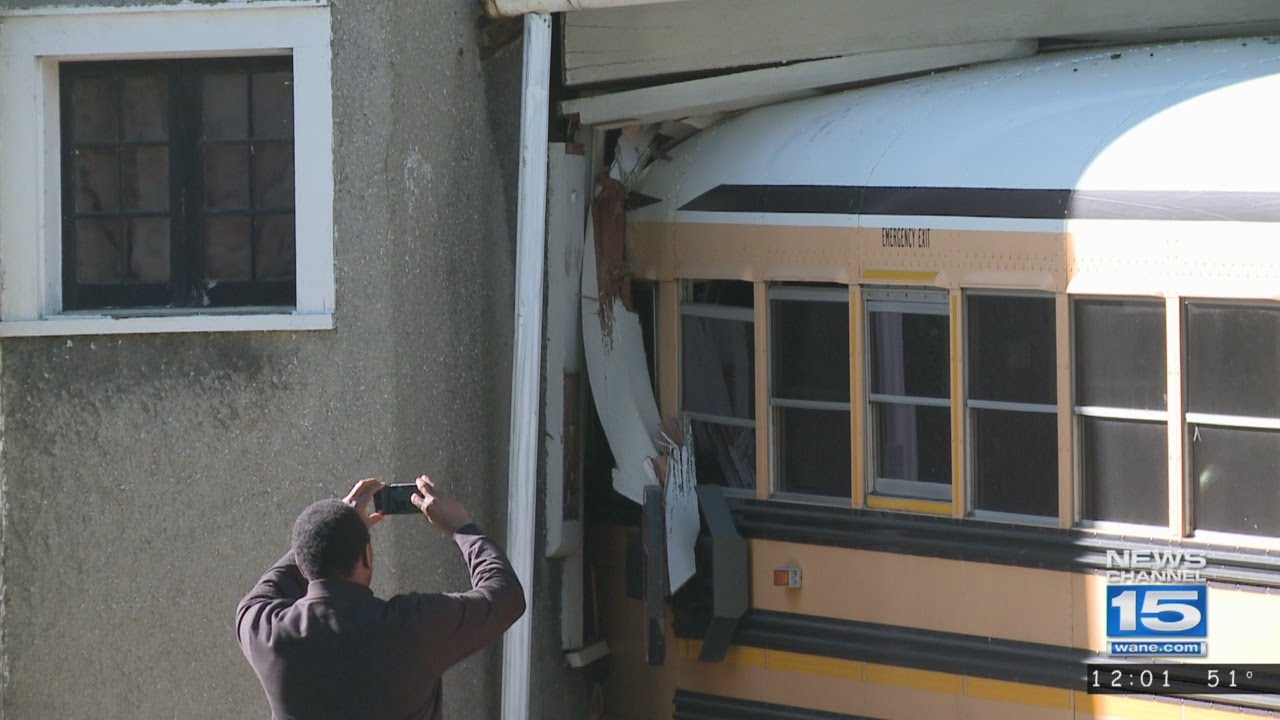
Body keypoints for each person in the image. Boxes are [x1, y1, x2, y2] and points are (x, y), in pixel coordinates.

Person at [236, 475, 526, 720]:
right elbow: (505, 597)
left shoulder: (264, 632)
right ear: (368, 556)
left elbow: (264, 591)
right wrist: (462, 528)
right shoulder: (411, 627)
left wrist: (329, 529)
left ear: (301, 566)